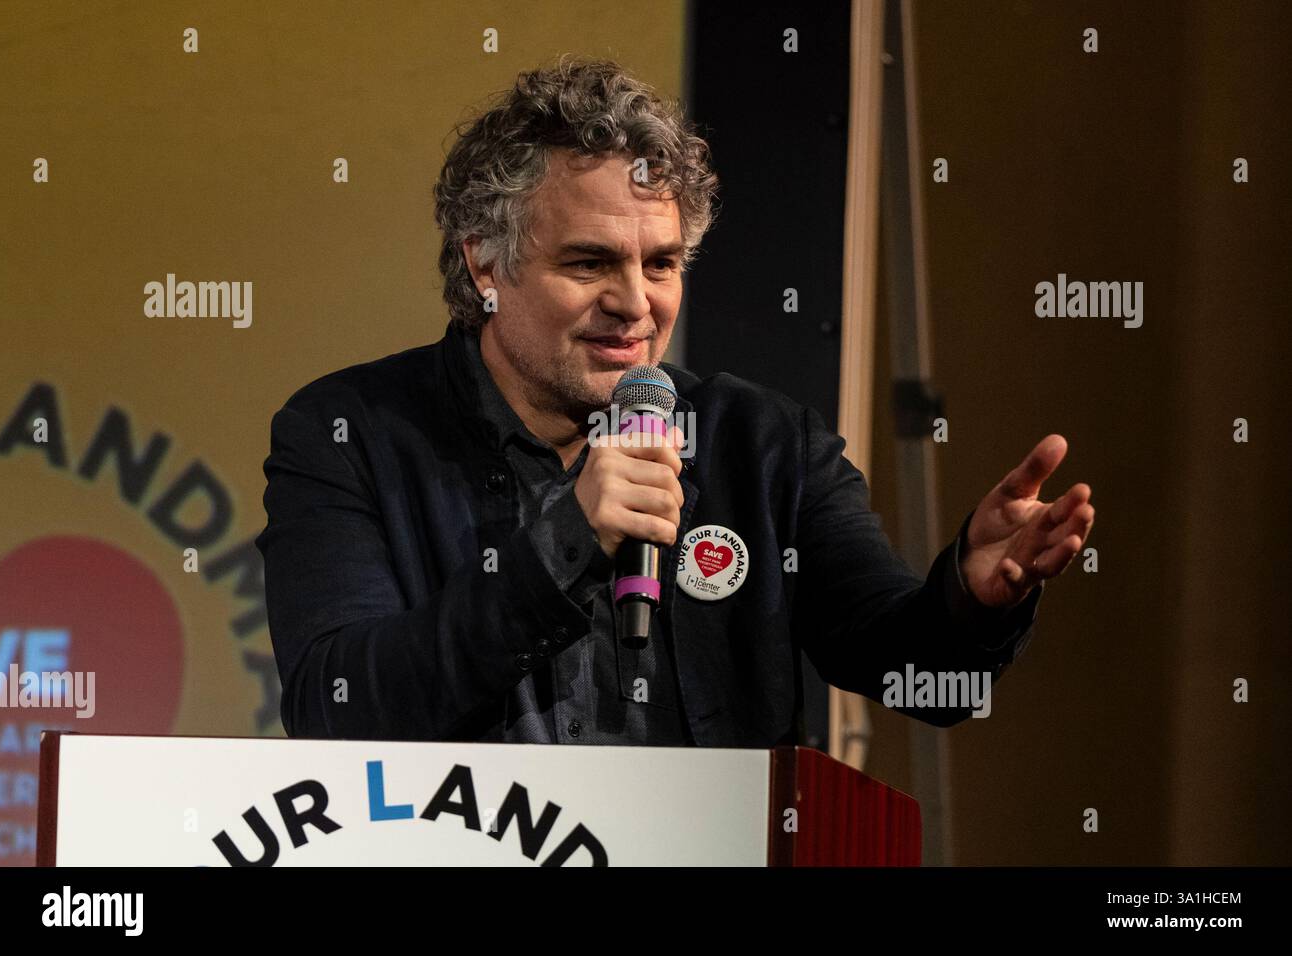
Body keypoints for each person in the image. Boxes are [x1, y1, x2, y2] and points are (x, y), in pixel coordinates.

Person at [256, 56, 1094, 747]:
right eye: (590, 264)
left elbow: (907, 669)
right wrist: (564, 545)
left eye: (660, 264)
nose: (636, 303)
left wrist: (971, 601)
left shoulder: (763, 447)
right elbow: (337, 709)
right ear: (485, 266)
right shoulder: (346, 436)